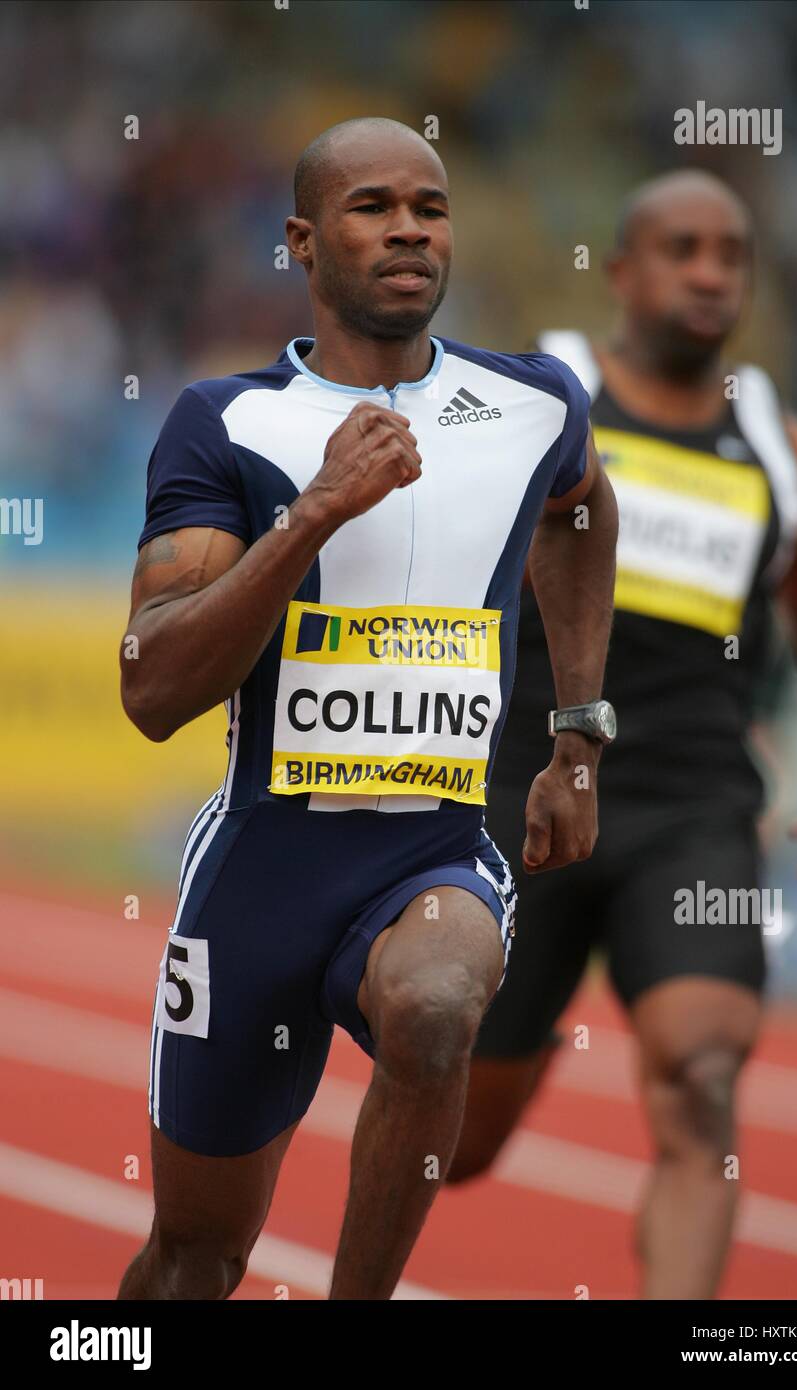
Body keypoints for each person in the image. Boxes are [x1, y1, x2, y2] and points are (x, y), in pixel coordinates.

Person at [116, 117, 618, 1301]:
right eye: (372, 207)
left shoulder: (534, 405)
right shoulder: (224, 421)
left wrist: (578, 733)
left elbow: (581, 516)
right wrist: (314, 512)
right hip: (262, 870)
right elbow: (152, 687)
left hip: (433, 852)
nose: (408, 229)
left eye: (429, 208)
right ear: (301, 240)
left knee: (437, 1009)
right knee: (195, 1258)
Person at [448, 170, 797, 1300]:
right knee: (457, 1142)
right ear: (621, 271)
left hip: (692, 810)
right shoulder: (534, 399)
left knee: (700, 1079)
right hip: (516, 797)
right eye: (680, 248)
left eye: (729, 254)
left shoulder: (791, 456)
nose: (708, 273)